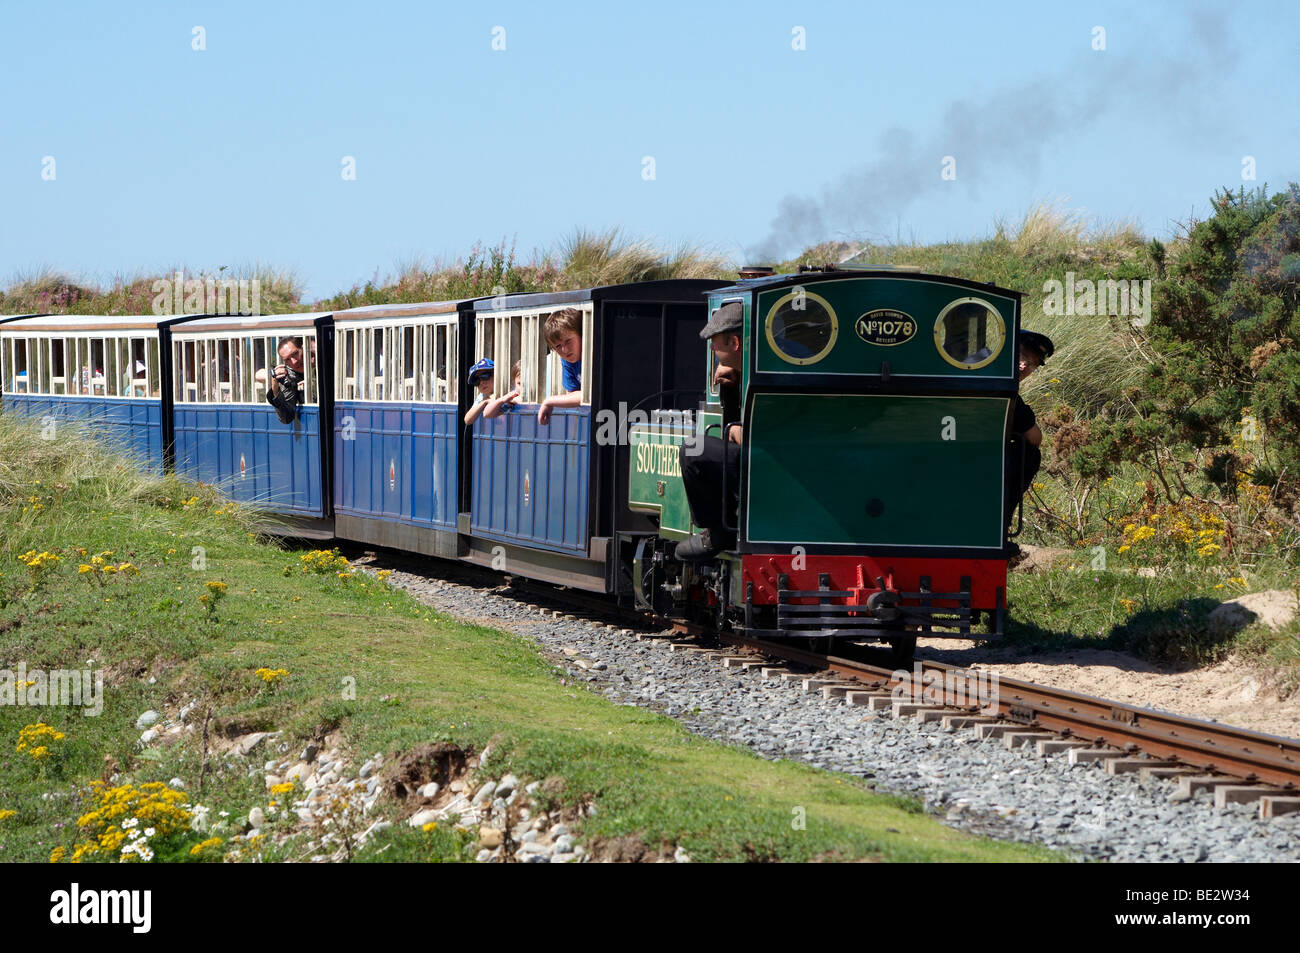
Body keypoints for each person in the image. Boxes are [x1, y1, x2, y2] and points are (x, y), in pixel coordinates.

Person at [675, 302, 745, 561]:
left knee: (694, 449)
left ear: (734, 343)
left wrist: (741, 430)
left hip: (770, 459)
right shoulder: (745, 369)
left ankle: (717, 532)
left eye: (716, 342)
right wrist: (735, 378)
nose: (712, 348)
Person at [1006, 329, 1053, 529]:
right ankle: (1001, 522)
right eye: (1022, 356)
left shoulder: (1013, 396)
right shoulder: (1005, 393)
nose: (1025, 366)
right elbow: (1034, 438)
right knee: (1030, 455)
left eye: (1032, 363)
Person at [538, 308, 583, 425]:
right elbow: (572, 395)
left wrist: (549, 401)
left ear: (582, 335)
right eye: (558, 346)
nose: (565, 350)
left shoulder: (594, 355)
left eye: (568, 341)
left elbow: (591, 394)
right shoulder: (568, 361)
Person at [255, 337, 305, 424]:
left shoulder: (318, 359)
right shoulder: (288, 377)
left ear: (303, 348)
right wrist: (275, 388)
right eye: (287, 359)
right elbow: (286, 418)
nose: (294, 361)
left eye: (295, 354)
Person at [462, 358, 495, 425]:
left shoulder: (508, 390)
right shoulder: (482, 396)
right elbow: (468, 420)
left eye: (485, 377)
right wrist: (485, 402)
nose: (481, 383)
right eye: (476, 381)